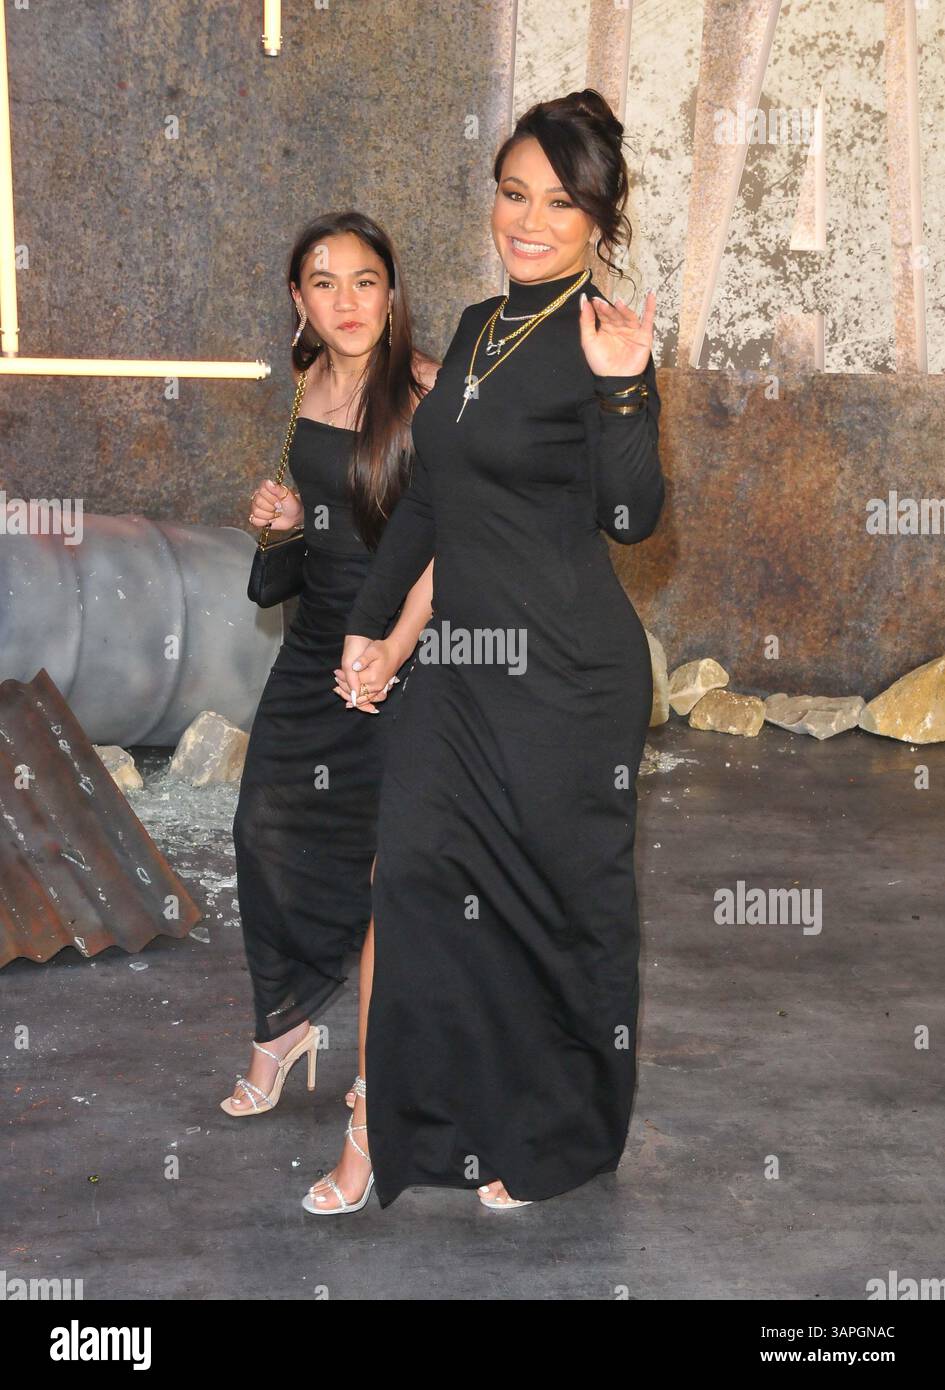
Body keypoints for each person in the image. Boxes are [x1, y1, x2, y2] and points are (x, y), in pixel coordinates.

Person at [312, 89, 664, 1215]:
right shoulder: (472, 325)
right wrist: (371, 624)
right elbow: (428, 502)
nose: (529, 220)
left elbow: (633, 518)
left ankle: (553, 1134)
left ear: (598, 220)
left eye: (560, 203)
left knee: (554, 906)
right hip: (458, 667)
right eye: (515, 193)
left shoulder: (603, 337)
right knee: (416, 879)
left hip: (568, 679)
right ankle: (425, 1122)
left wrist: (625, 395)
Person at [223, 213, 438, 1154]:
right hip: (316, 645)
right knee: (264, 826)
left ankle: (379, 1082)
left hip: (409, 648)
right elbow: (328, 517)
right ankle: (286, 1023)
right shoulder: (308, 381)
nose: (346, 301)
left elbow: (447, 544)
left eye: (364, 280)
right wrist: (284, 518)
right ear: (297, 302)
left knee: (392, 864)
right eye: (323, 283)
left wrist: (390, 649)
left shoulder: (427, 392)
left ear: (391, 291)